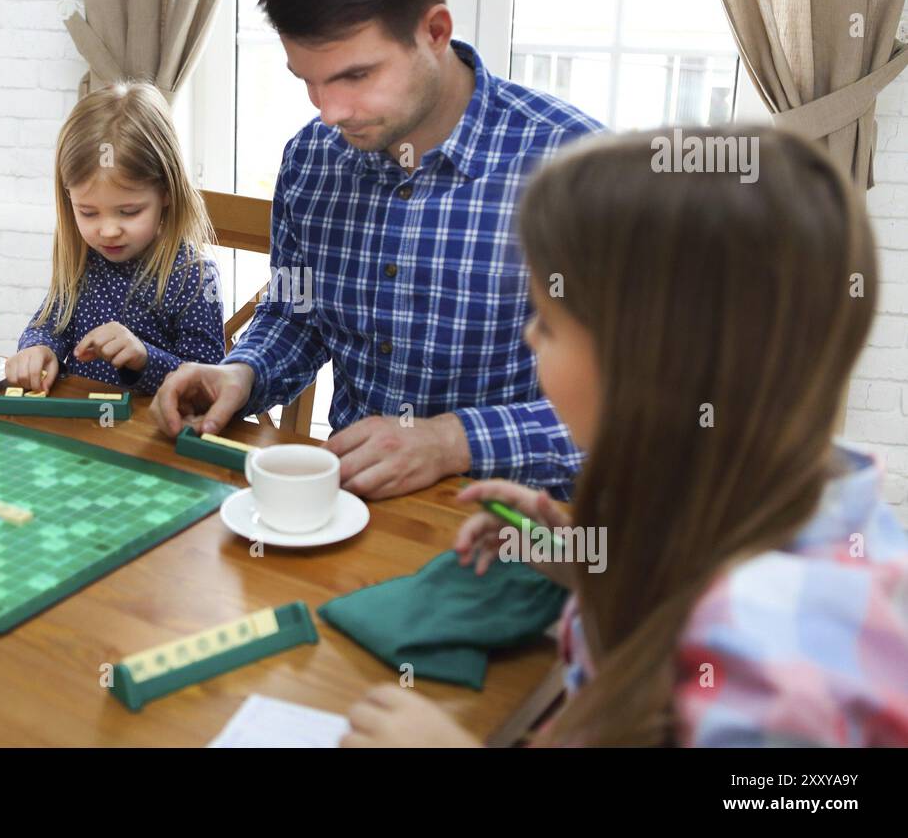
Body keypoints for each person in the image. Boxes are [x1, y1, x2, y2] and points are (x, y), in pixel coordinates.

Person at [341, 127, 908, 747]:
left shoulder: (775, 665)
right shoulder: (747, 492)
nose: (531, 338)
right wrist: (586, 565)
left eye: (550, 323)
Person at [150, 0, 603, 500]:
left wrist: (451, 441)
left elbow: (644, 409)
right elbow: (297, 312)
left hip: (517, 538)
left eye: (355, 76)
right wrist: (244, 370)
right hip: (347, 508)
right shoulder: (312, 158)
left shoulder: (576, 170)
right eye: (308, 81)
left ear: (434, 32)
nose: (329, 111)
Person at [6, 81, 225, 396]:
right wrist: (39, 348)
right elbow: (49, 325)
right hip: (79, 424)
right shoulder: (85, 258)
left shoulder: (193, 275)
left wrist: (144, 358)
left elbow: (208, 383)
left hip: (151, 435)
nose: (107, 231)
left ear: (166, 192)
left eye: (129, 211)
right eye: (88, 212)